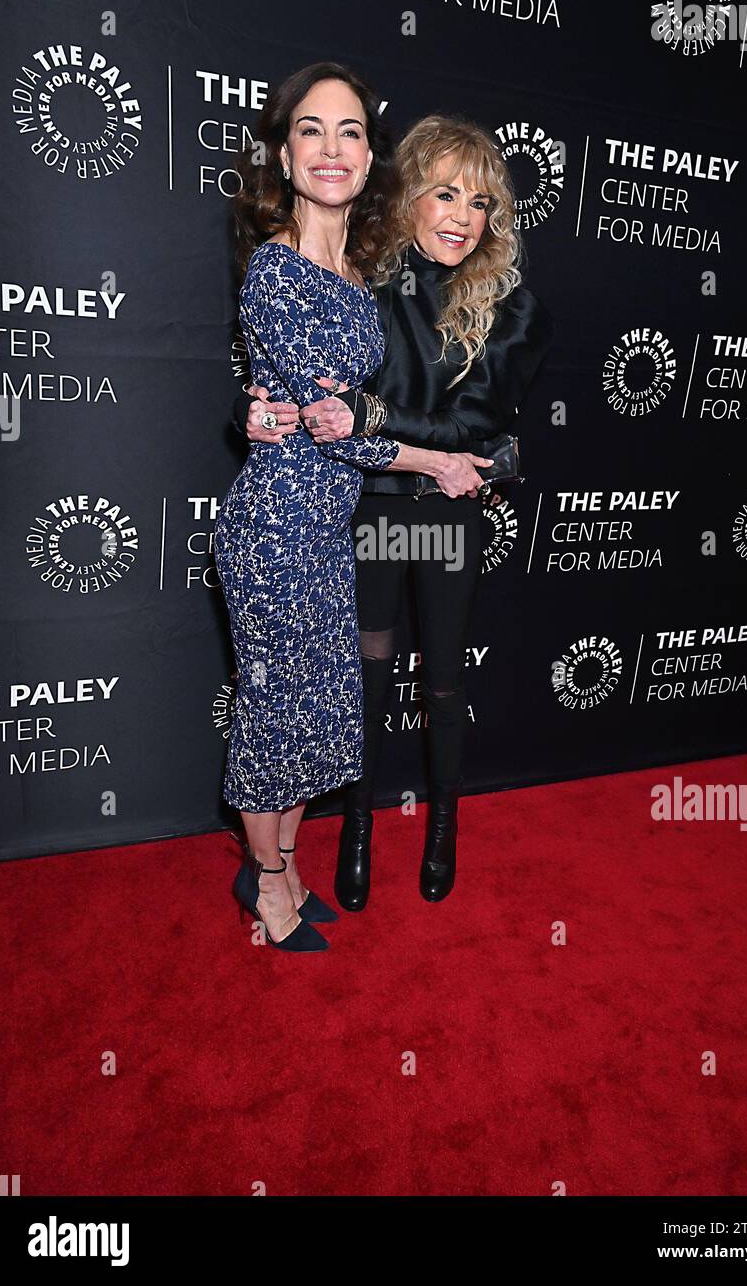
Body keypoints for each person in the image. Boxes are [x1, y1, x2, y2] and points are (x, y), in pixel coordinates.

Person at [236, 114, 555, 908]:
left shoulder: (514, 308)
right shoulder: (363, 279)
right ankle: (357, 829)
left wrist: (368, 417)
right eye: (443, 193)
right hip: (371, 505)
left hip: (447, 512)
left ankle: (442, 825)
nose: (459, 216)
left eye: (480, 202)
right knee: (365, 682)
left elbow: (472, 430)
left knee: (444, 684)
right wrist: (267, 410)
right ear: (409, 195)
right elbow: (304, 381)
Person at [215, 71, 492, 954]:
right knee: (272, 715)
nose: (331, 149)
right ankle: (266, 885)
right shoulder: (276, 267)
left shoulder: (357, 270)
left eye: (349, 134)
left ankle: (284, 861)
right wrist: (434, 458)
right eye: (311, 132)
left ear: (371, 156)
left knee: (310, 712)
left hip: (326, 530)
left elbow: (341, 413)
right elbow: (338, 429)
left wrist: (426, 445)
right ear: (286, 153)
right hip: (275, 529)